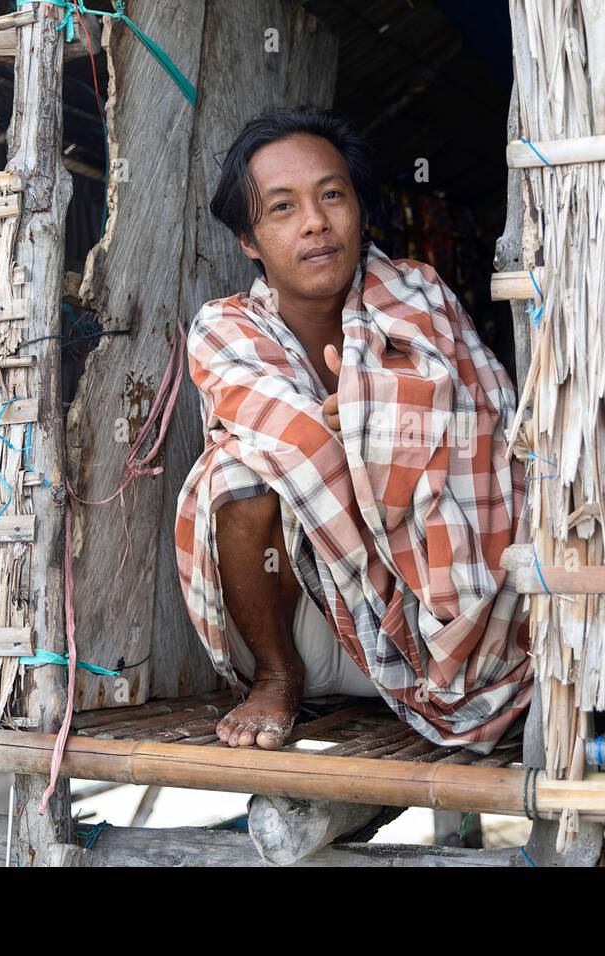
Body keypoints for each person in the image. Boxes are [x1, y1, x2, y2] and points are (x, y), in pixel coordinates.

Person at [174, 108, 533, 752]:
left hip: (460, 610)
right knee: (233, 469)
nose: (315, 221)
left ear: (359, 208)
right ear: (250, 242)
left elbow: (497, 427)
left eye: (331, 195)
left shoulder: (419, 296)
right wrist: (368, 423)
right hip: (318, 627)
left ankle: (456, 669)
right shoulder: (225, 329)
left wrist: (384, 414)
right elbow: (299, 444)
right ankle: (275, 677)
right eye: (282, 208)